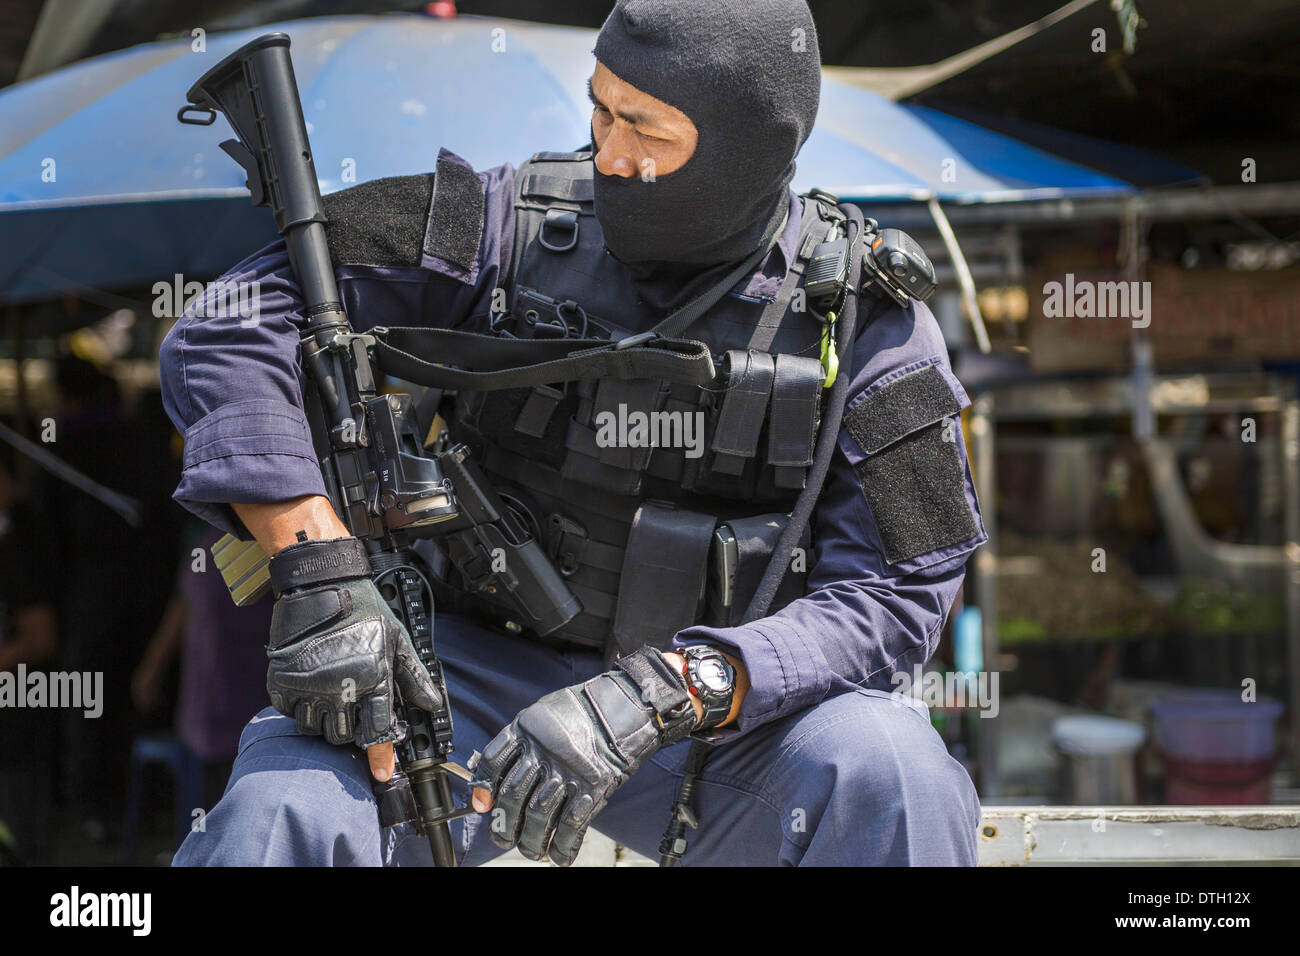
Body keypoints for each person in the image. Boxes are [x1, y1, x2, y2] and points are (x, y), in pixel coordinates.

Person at [162, 0, 985, 866]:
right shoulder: (499, 221)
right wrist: (317, 564)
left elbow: (900, 594)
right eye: (600, 108)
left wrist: (680, 686)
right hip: (463, 685)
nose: (611, 155)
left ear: (750, 148)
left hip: (720, 724)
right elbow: (233, 317)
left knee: (895, 772)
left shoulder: (861, 321)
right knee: (281, 814)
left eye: (649, 131)